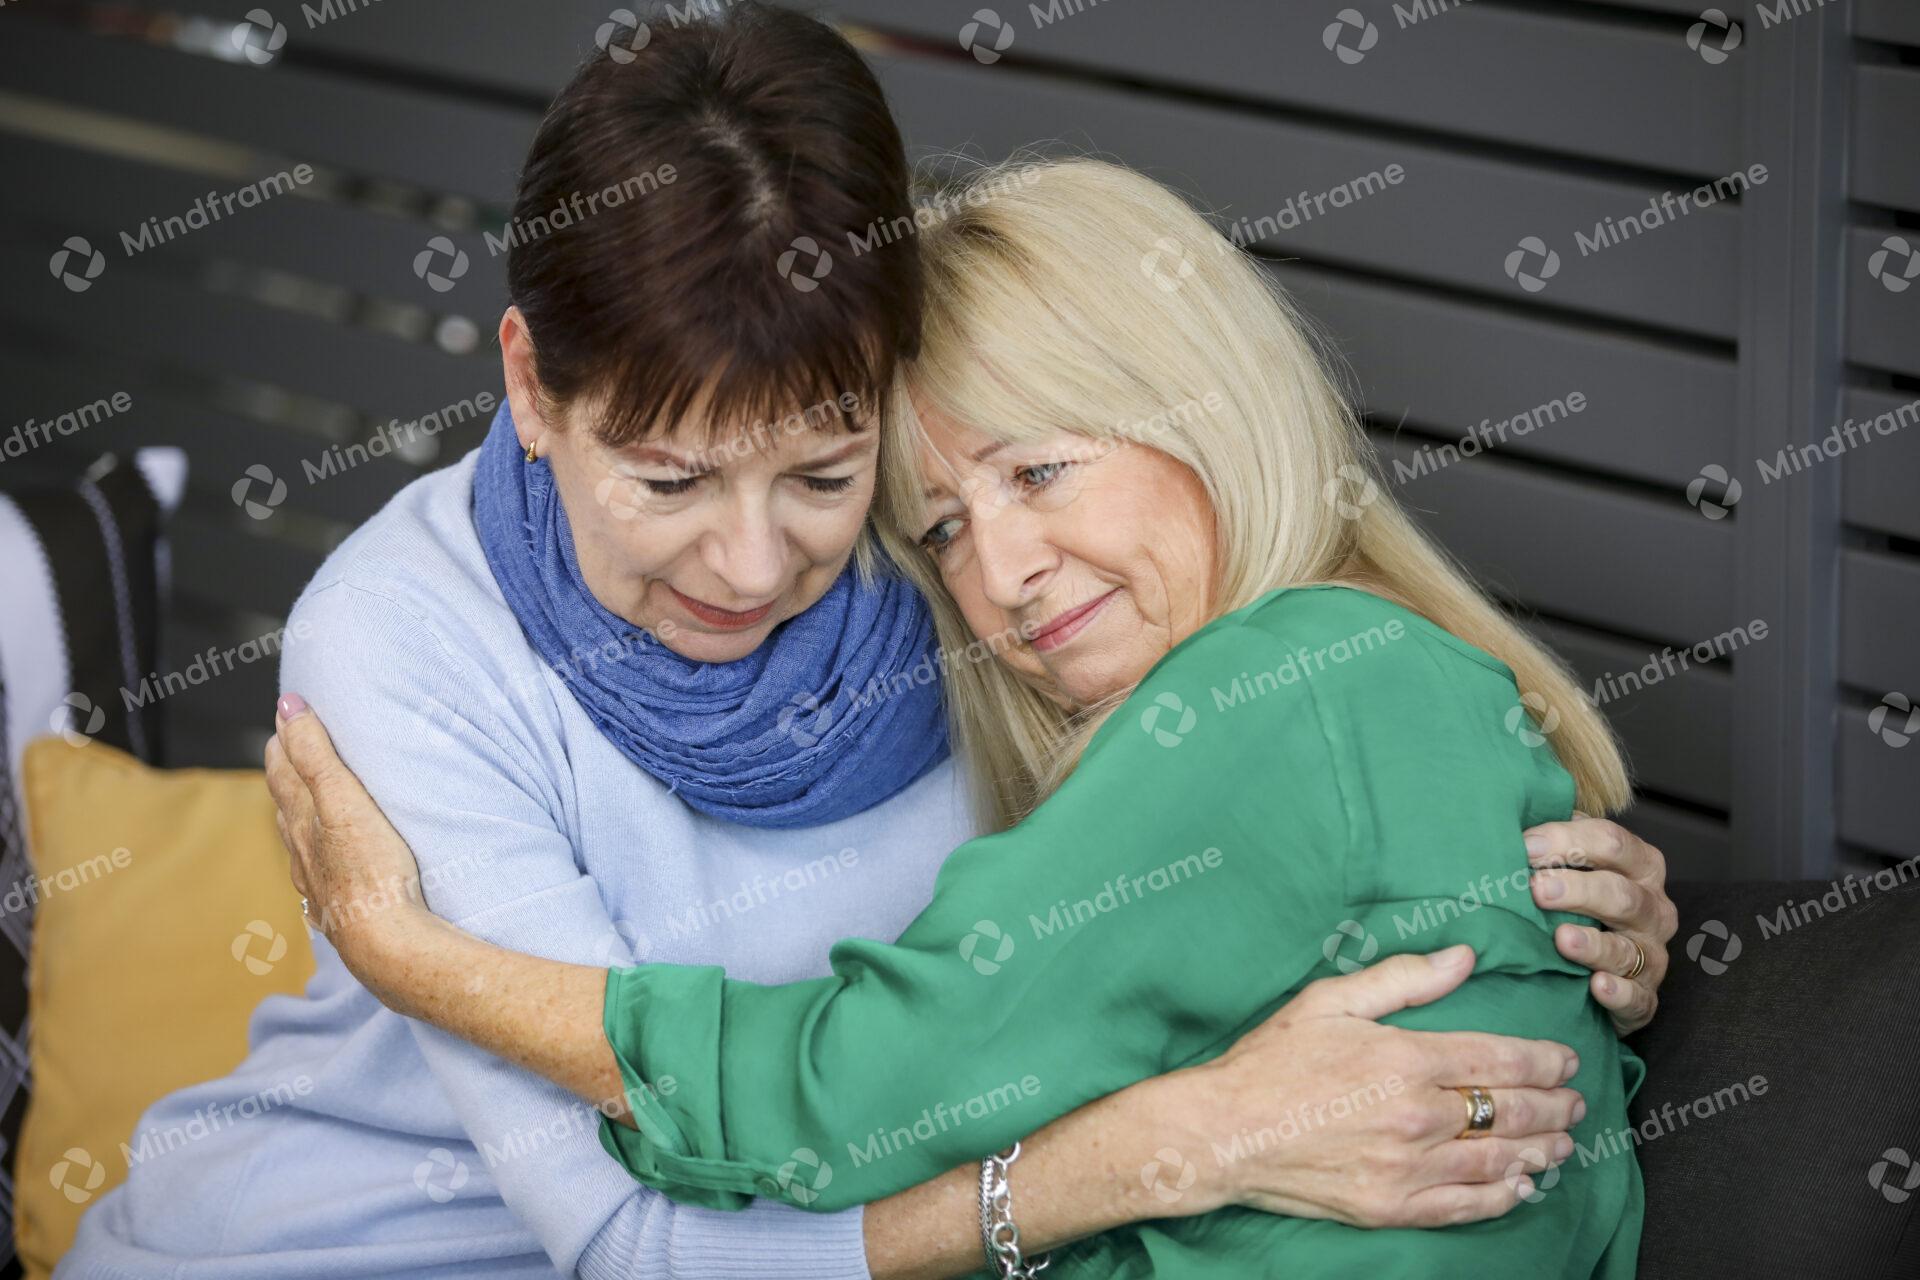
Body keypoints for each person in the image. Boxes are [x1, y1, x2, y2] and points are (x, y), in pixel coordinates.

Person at [266, 156, 1662, 1278]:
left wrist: (410, 956)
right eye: (942, 529)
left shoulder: (1274, 690)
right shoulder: (1410, 692)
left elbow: (838, 1098)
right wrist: (1172, 1141)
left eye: (1041, 470)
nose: (1001, 574)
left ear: (1210, 400)